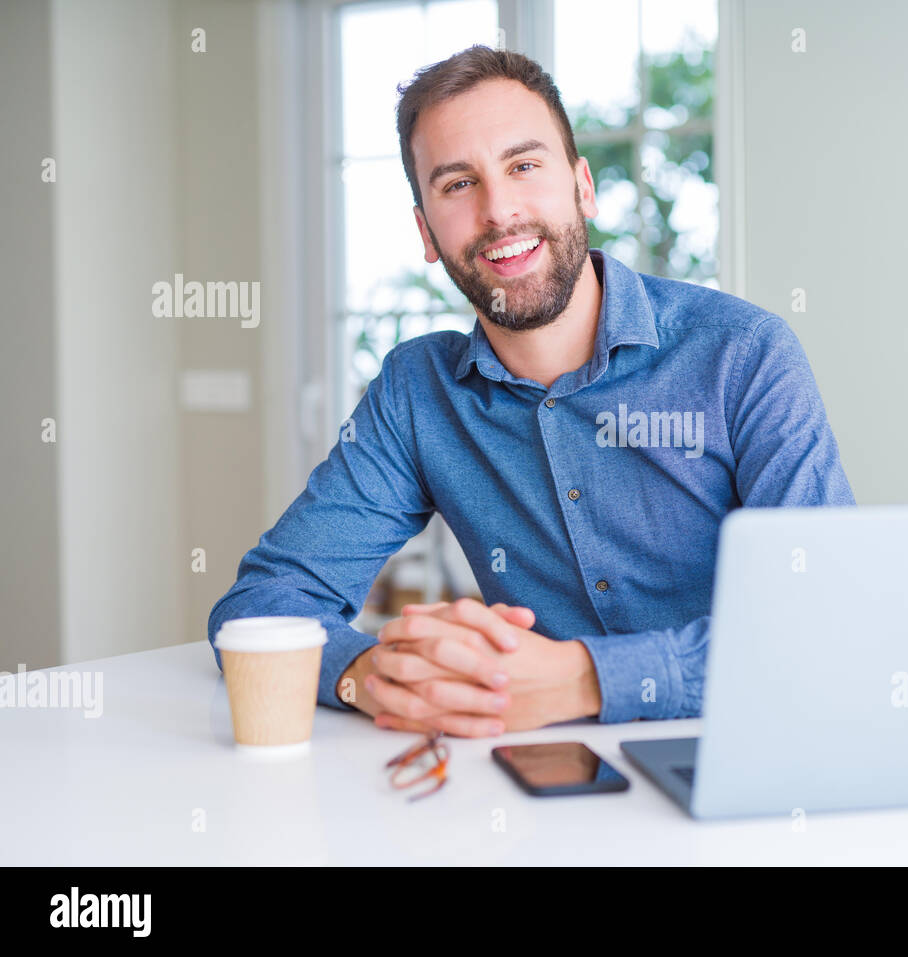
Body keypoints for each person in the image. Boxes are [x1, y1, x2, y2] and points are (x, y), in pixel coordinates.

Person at [208, 44, 855, 738]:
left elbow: (830, 617)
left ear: (582, 185)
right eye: (458, 184)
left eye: (523, 165)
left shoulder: (743, 354)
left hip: (750, 753)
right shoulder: (416, 392)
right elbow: (259, 607)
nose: (499, 210)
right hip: (540, 784)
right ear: (427, 232)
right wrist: (370, 676)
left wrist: (580, 677)